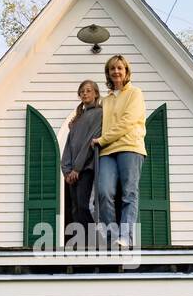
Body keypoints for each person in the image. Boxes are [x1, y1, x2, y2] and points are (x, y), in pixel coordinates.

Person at [94, 54, 146, 248]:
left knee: (129, 193)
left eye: (120, 68)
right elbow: (95, 122)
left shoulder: (135, 94)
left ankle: (126, 236)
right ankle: (112, 236)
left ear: (126, 72)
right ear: (108, 73)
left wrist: (102, 140)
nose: (116, 71)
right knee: (103, 192)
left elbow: (127, 122)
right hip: (107, 151)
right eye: (112, 69)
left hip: (130, 147)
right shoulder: (105, 101)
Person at [61, 79, 101, 242]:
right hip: (72, 172)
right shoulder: (77, 119)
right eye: (82, 91)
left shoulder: (100, 113)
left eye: (88, 90)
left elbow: (88, 143)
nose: (85, 93)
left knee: (84, 206)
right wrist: (67, 170)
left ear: (96, 94)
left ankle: (95, 242)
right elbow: (69, 146)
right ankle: (82, 242)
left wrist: (77, 168)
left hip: (86, 169)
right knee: (75, 208)